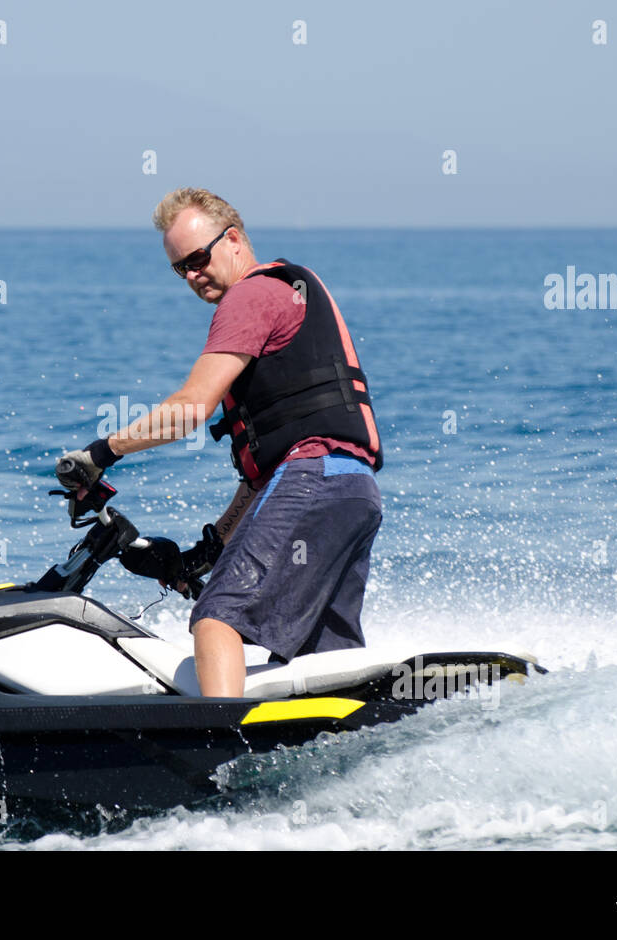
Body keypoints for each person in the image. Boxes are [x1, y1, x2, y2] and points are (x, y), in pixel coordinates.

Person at [58, 187, 383, 697]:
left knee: (216, 619)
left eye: (197, 258)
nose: (191, 275)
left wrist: (100, 454)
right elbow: (265, 479)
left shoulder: (251, 293)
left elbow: (191, 406)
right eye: (178, 269)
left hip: (313, 480)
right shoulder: (290, 292)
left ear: (232, 239)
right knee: (320, 661)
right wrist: (205, 554)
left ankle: (219, 754)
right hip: (351, 496)